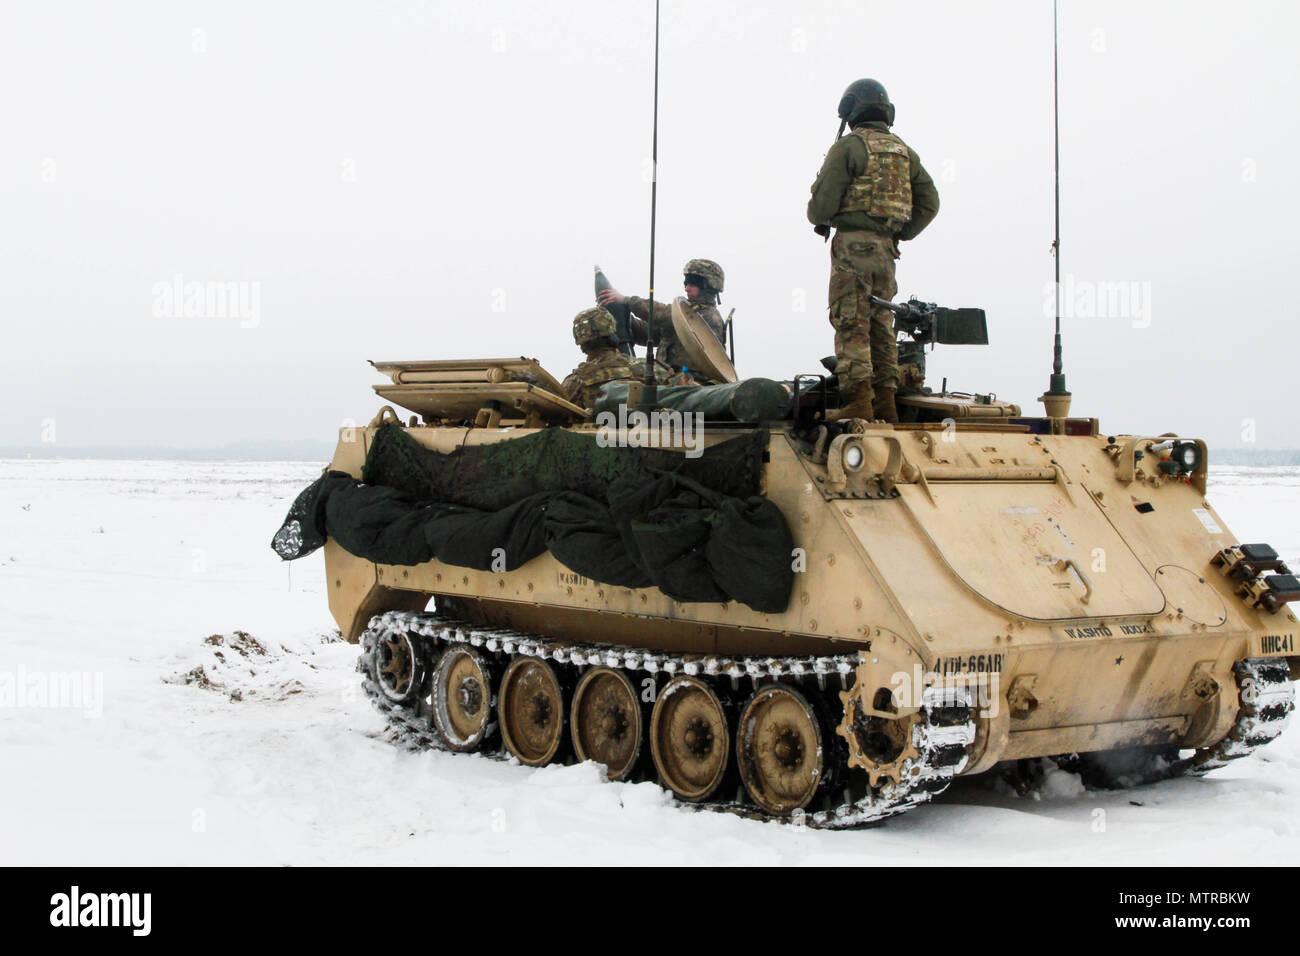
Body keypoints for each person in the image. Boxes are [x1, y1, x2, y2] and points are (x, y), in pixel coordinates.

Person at [807, 78, 940, 422]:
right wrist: (897, 233)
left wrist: (831, 218)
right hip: (887, 254)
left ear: (851, 111)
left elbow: (820, 208)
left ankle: (859, 403)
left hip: (853, 248)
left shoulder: (850, 147)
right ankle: (885, 404)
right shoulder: (904, 152)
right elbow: (930, 202)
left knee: (852, 322)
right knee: (881, 324)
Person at [597, 259, 728, 385]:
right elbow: (649, 333)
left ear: (708, 286)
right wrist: (622, 318)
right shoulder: (685, 314)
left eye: (693, 283)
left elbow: (665, 314)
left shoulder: (706, 316)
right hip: (670, 380)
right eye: (686, 283)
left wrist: (627, 300)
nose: (687, 288)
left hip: (692, 384)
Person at [560, 306, 637, 410]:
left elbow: (558, 410)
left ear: (581, 343)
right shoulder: (645, 368)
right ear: (612, 333)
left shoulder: (575, 381)